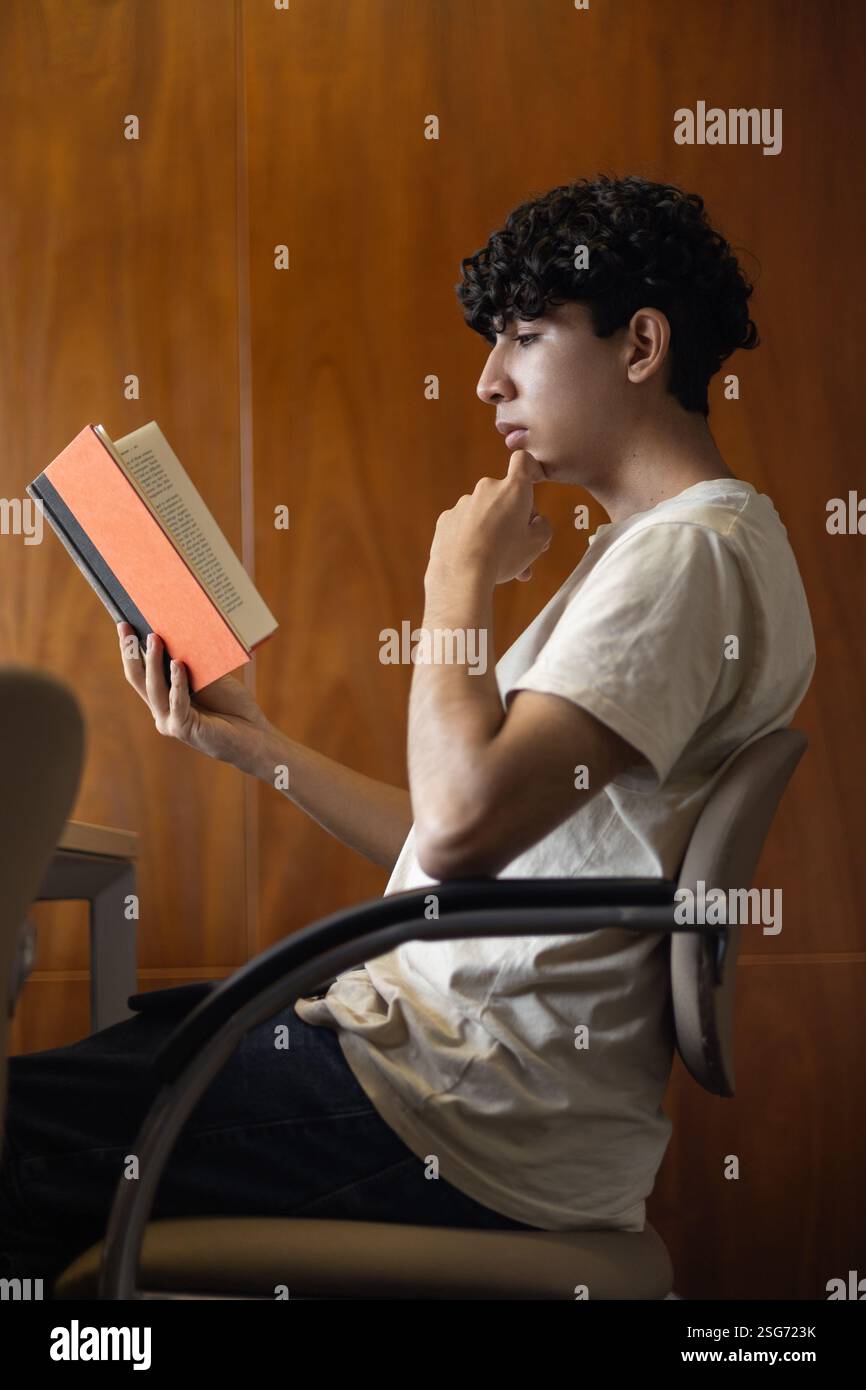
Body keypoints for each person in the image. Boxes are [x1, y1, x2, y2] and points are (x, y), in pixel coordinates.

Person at [0, 174, 815, 1294]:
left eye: (525, 338)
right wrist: (257, 742)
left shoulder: (688, 556)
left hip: (448, 1104)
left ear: (639, 345)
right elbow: (466, 845)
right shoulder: (668, 552)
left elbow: (464, 823)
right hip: (429, 1071)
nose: (487, 381)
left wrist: (455, 580)